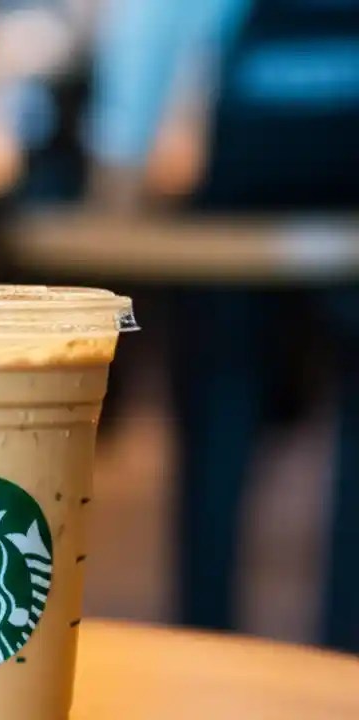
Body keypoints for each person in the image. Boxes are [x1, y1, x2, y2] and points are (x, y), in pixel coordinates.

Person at [87, 0, 359, 652]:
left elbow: (146, 58)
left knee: (218, 426)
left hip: (235, 207)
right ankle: (340, 653)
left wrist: (115, 198)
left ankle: (209, 641)